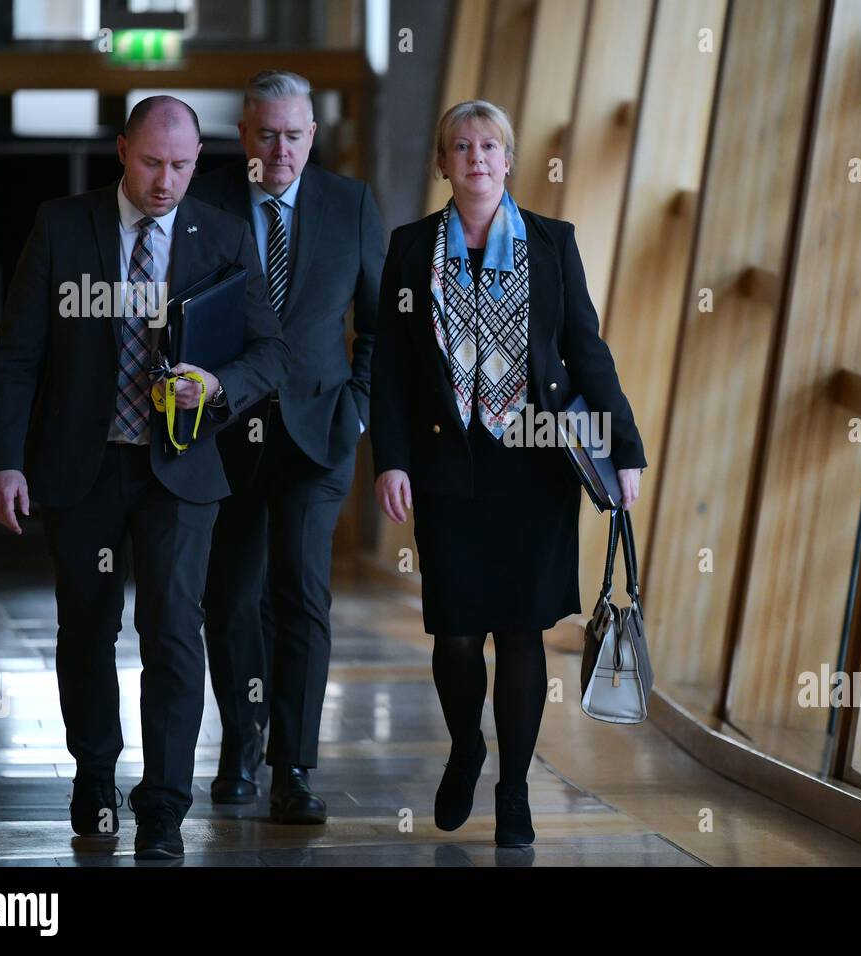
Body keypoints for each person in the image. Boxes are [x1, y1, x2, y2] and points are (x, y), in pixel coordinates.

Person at [0, 95, 290, 860]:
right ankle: (93, 772)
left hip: (179, 470)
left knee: (174, 633)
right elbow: (17, 354)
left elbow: (271, 353)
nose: (166, 181)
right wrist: (6, 461)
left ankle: (163, 807)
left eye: (182, 165)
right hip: (80, 466)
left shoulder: (220, 234)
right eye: (152, 162)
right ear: (122, 150)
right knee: (86, 627)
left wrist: (216, 386)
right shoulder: (62, 225)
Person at [370, 100, 646, 847]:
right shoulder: (409, 249)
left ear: (509, 158)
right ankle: (468, 746)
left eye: (489, 146)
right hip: (447, 466)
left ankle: (516, 788)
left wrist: (625, 450)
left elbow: (587, 351)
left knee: (522, 631)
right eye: (461, 147)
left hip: (535, 467)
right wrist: (389, 459)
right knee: (458, 632)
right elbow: (390, 368)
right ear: (443, 164)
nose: (477, 158)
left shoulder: (553, 245)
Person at [189, 70, 384, 823]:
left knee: (302, 594)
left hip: (318, 432)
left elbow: (379, 323)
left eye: (294, 135)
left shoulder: (350, 205)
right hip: (226, 432)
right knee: (231, 597)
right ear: (243, 136)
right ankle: (243, 741)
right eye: (265, 133)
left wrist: (360, 409)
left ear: (312, 135)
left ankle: (293, 767)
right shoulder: (206, 202)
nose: (280, 149)